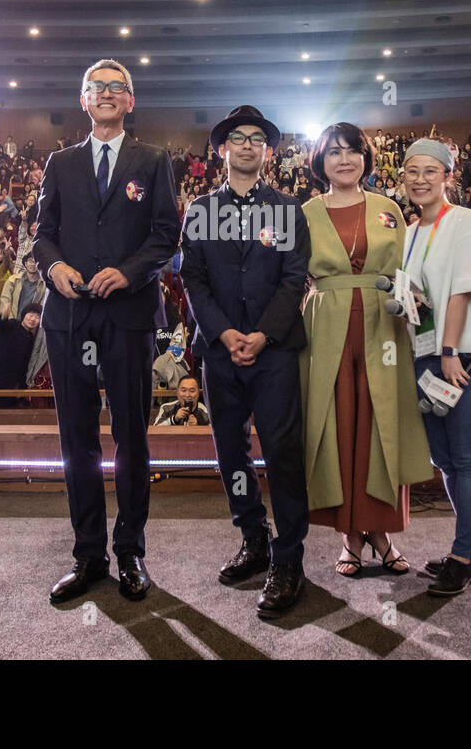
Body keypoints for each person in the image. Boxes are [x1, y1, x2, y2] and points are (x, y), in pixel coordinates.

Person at [33, 58, 181, 606]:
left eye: (118, 87)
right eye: (97, 88)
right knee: (77, 440)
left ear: (131, 100)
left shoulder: (154, 159)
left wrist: (131, 271)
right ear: (84, 100)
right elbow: (42, 234)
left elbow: (167, 235)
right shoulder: (60, 163)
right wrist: (54, 268)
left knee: (131, 438)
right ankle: (88, 555)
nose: (107, 94)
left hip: (129, 313)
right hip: (69, 315)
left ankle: (131, 551)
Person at [180, 106, 311, 617]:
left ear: (269, 151)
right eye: (238, 137)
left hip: (273, 351)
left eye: (258, 138)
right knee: (231, 453)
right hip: (220, 351)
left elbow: (293, 278)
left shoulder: (287, 209)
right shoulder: (200, 210)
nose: (249, 145)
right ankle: (253, 537)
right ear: (222, 149)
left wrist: (260, 335)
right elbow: (194, 279)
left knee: (281, 451)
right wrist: (224, 331)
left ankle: (289, 558)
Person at [298, 122, 431, 583]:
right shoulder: (307, 212)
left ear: (365, 159)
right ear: (321, 162)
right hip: (326, 327)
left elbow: (406, 272)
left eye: (352, 151)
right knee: (338, 428)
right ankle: (350, 538)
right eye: (333, 152)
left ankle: (382, 533)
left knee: (380, 426)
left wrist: (413, 298)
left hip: (384, 326)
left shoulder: (389, 208)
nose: (344, 159)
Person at [399, 138, 471, 598]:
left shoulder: (466, 221)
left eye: (430, 171)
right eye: (411, 171)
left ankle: (462, 559)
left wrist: (446, 351)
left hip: (467, 354)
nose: (419, 180)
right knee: (443, 457)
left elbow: (463, 292)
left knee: (466, 457)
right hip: (428, 353)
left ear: (447, 176)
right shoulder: (408, 231)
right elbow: (418, 291)